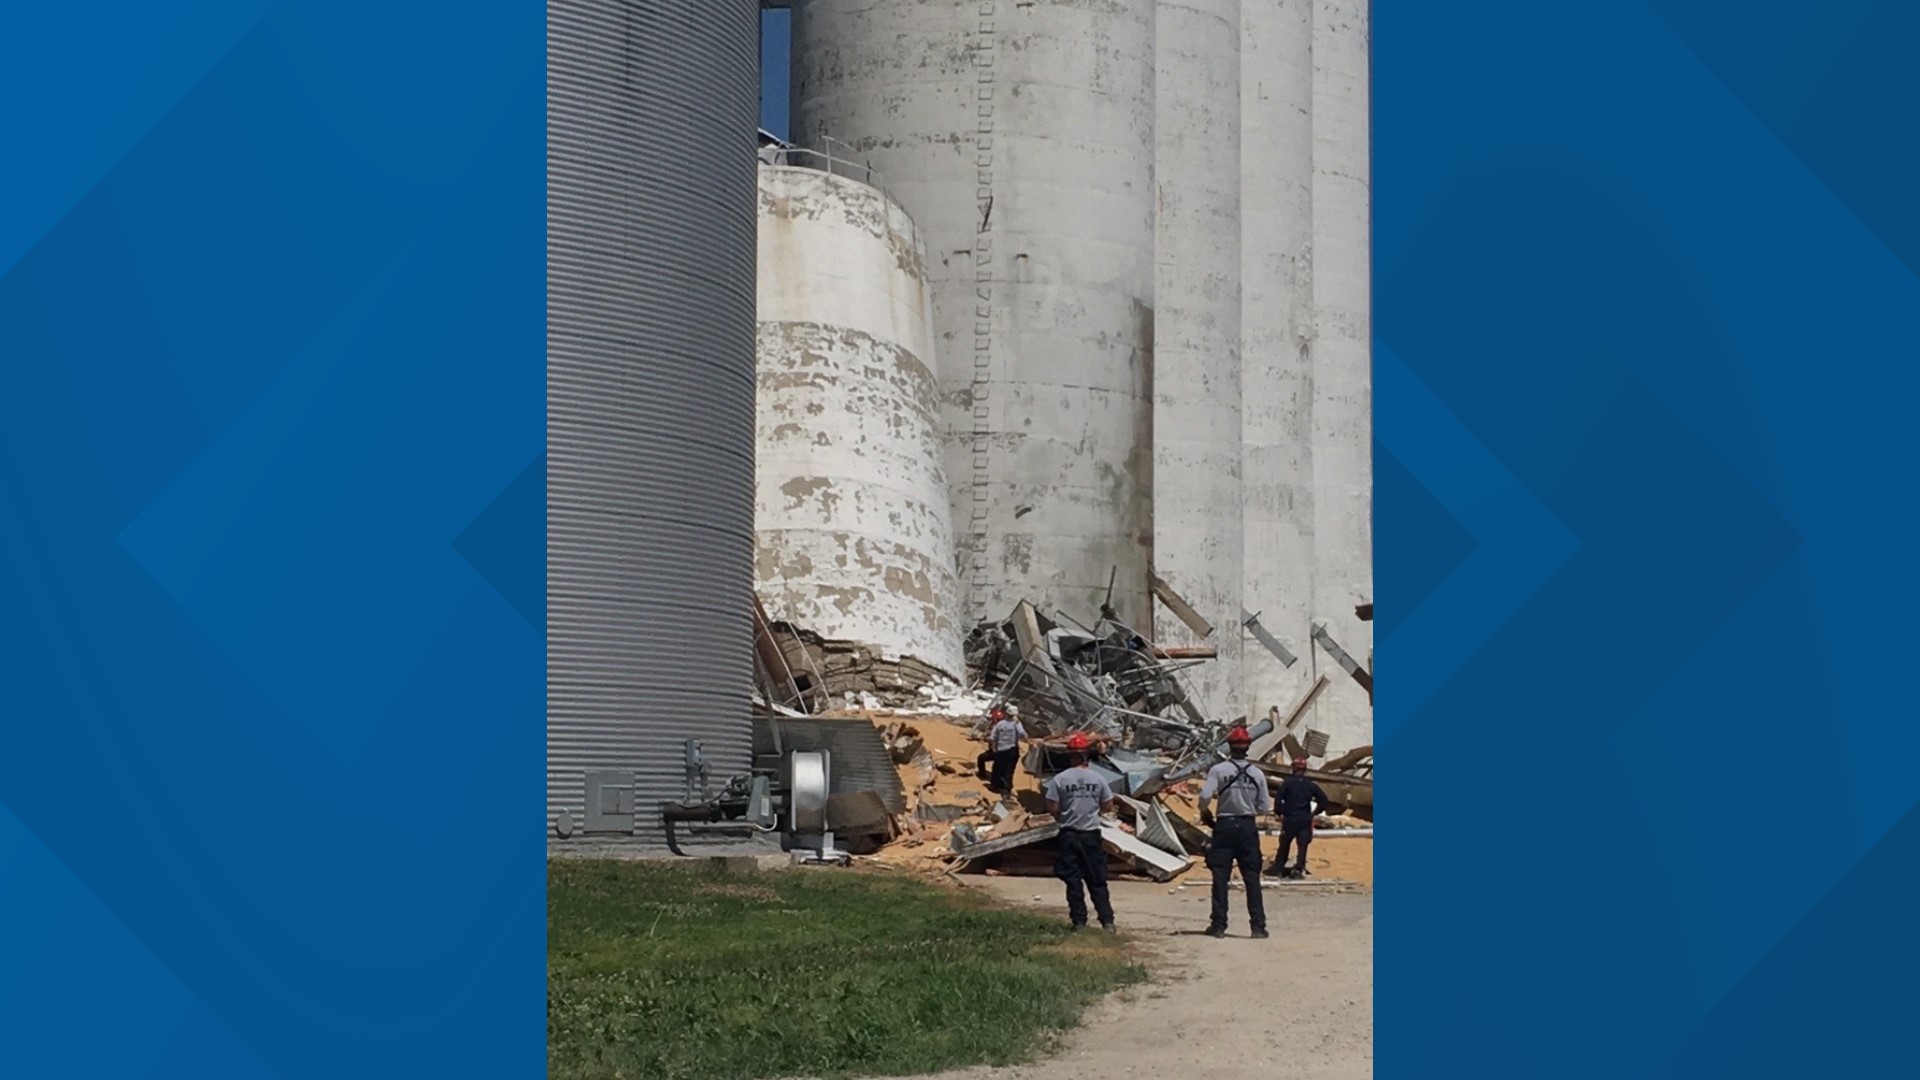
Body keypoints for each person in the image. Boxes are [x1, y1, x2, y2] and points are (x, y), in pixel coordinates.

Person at [1196, 725, 1272, 939]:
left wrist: (1205, 812)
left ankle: (1219, 926)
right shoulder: (1257, 774)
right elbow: (1264, 806)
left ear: (1229, 747)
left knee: (1220, 877)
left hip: (1225, 825)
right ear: (1248, 747)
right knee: (1252, 878)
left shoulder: (1219, 770)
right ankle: (1258, 927)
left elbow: (1205, 795)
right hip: (1248, 827)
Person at [1043, 732, 1116, 932]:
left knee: (1073, 880)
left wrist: (1065, 816)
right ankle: (1107, 921)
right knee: (1097, 879)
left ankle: (1079, 922)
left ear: (1071, 756)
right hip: (1091, 834)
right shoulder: (1099, 778)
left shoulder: (1060, 779)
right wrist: (1092, 811)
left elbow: (1052, 806)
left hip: (1069, 834)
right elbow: (1108, 805)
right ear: (1087, 755)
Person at [1269, 756, 1331, 879]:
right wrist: (1314, 813)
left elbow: (1278, 799)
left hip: (1290, 819)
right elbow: (1324, 800)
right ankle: (1299, 868)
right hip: (1305, 819)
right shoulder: (1310, 785)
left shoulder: (1287, 783)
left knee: (1285, 844)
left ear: (1293, 768)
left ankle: (1278, 868)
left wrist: (1279, 813)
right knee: (1302, 845)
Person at [983, 704, 1024, 795]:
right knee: (1009, 770)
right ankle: (1006, 789)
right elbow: (1022, 734)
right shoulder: (1017, 724)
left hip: (1001, 750)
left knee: (997, 769)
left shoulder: (1000, 724)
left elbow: (992, 737)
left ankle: (995, 786)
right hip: (1013, 750)